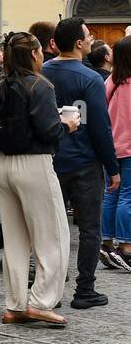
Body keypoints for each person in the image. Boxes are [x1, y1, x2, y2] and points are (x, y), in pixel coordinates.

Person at [0, 32, 79, 327]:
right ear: (35, 54)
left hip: (1, 165)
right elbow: (49, 131)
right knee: (53, 237)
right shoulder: (40, 85)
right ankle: (41, 301)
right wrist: (67, 124)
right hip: (33, 163)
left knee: (15, 239)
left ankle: (15, 304)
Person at [43, 17, 119, 309]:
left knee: (51, 227)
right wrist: (112, 167)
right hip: (85, 162)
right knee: (89, 228)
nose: (90, 41)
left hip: (50, 159)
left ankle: (50, 289)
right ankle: (84, 289)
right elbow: (100, 126)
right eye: (88, 37)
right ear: (78, 43)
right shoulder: (90, 78)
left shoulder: (43, 72)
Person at [102, 36, 131, 271]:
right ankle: (126, 245)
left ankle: (106, 241)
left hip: (111, 146)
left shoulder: (110, 81)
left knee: (110, 194)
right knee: (128, 196)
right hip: (130, 147)